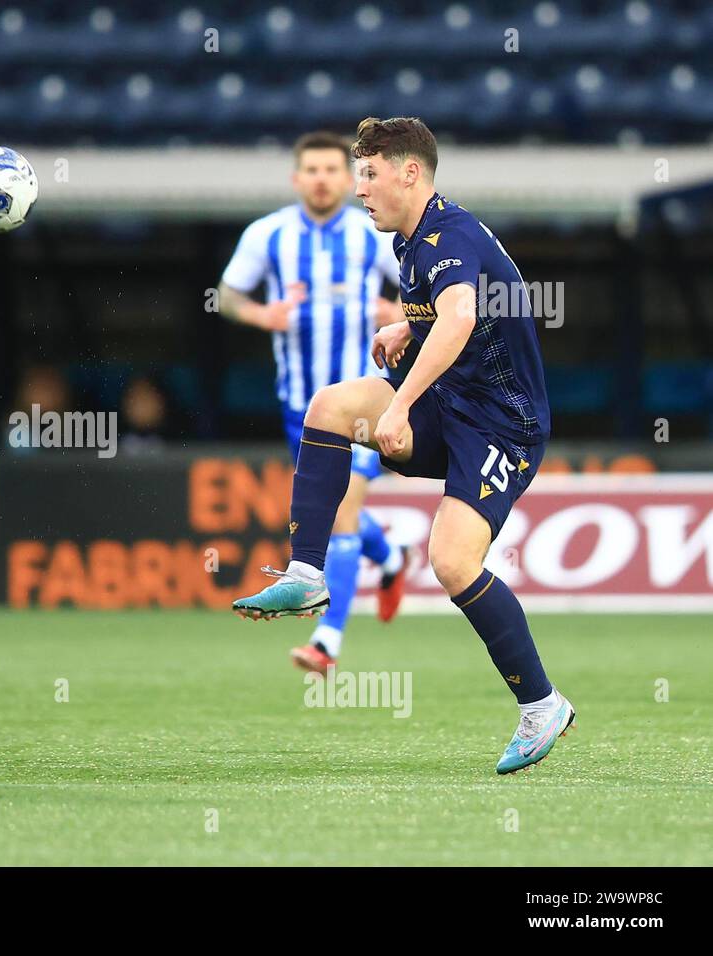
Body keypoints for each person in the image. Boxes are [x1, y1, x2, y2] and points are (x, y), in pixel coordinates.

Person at [232, 117, 574, 775]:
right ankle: (308, 574)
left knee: (452, 562)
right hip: (455, 406)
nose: (361, 190)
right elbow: (453, 321)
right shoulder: (413, 240)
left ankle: (541, 705)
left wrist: (401, 401)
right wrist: (402, 329)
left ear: (408, 172)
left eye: (370, 174)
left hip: (504, 426)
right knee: (329, 407)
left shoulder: (450, 236)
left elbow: (462, 318)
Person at [218, 130, 410, 676]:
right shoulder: (268, 234)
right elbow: (228, 295)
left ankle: (326, 642)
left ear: (350, 180)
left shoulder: (371, 233)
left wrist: (396, 315)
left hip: (364, 399)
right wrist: (263, 315)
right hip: (299, 405)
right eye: (313, 170)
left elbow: (418, 288)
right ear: (296, 178)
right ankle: (391, 558)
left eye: (333, 169)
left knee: (341, 515)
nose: (323, 178)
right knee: (335, 512)